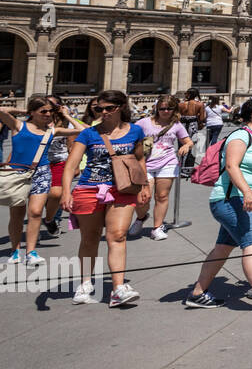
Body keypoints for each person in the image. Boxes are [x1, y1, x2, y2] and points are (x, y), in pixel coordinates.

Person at [185, 98, 252, 310]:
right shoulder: (240, 135)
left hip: (231, 199)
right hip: (231, 199)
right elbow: (231, 165)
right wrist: (247, 192)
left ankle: (198, 293)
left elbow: (247, 167)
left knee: (222, 249)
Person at [60, 91, 149, 306]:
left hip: (123, 189)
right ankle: (86, 283)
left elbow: (139, 159)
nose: (103, 112)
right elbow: (71, 165)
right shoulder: (88, 134)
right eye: (99, 109)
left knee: (117, 235)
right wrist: (65, 191)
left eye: (108, 108)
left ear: (120, 107)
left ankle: (118, 288)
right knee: (90, 239)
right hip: (89, 189)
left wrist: (144, 184)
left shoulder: (135, 131)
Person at [2, 97, 80, 266]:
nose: (48, 114)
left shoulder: (52, 131)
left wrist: (65, 115)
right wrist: (24, 111)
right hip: (17, 173)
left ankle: (31, 252)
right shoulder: (18, 126)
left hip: (42, 173)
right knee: (17, 214)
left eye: (50, 111)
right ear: (33, 112)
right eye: (43, 111)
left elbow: (83, 129)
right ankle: (15, 250)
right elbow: (1, 110)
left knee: (36, 212)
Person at [132, 95, 193, 241]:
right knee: (142, 198)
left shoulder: (177, 125)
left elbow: (189, 141)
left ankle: (157, 228)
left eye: (169, 108)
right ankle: (141, 218)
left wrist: (185, 145)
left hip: (168, 163)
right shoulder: (144, 122)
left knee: (162, 196)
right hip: (145, 163)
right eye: (162, 108)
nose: (165, 111)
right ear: (157, 108)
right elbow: (130, 135)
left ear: (174, 109)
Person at [41, 94, 84, 236]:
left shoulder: (66, 123)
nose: (49, 110)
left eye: (52, 106)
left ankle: (51, 218)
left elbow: (73, 143)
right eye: (45, 106)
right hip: (40, 163)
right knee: (41, 200)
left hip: (60, 161)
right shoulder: (38, 121)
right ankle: (47, 219)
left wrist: (67, 115)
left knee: (57, 194)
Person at [177, 89, 206, 169]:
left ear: (188, 94)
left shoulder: (181, 104)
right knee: (192, 146)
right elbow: (202, 117)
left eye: (186, 93)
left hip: (182, 126)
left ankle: (180, 166)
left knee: (181, 145)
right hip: (193, 126)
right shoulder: (200, 104)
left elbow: (177, 116)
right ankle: (188, 168)